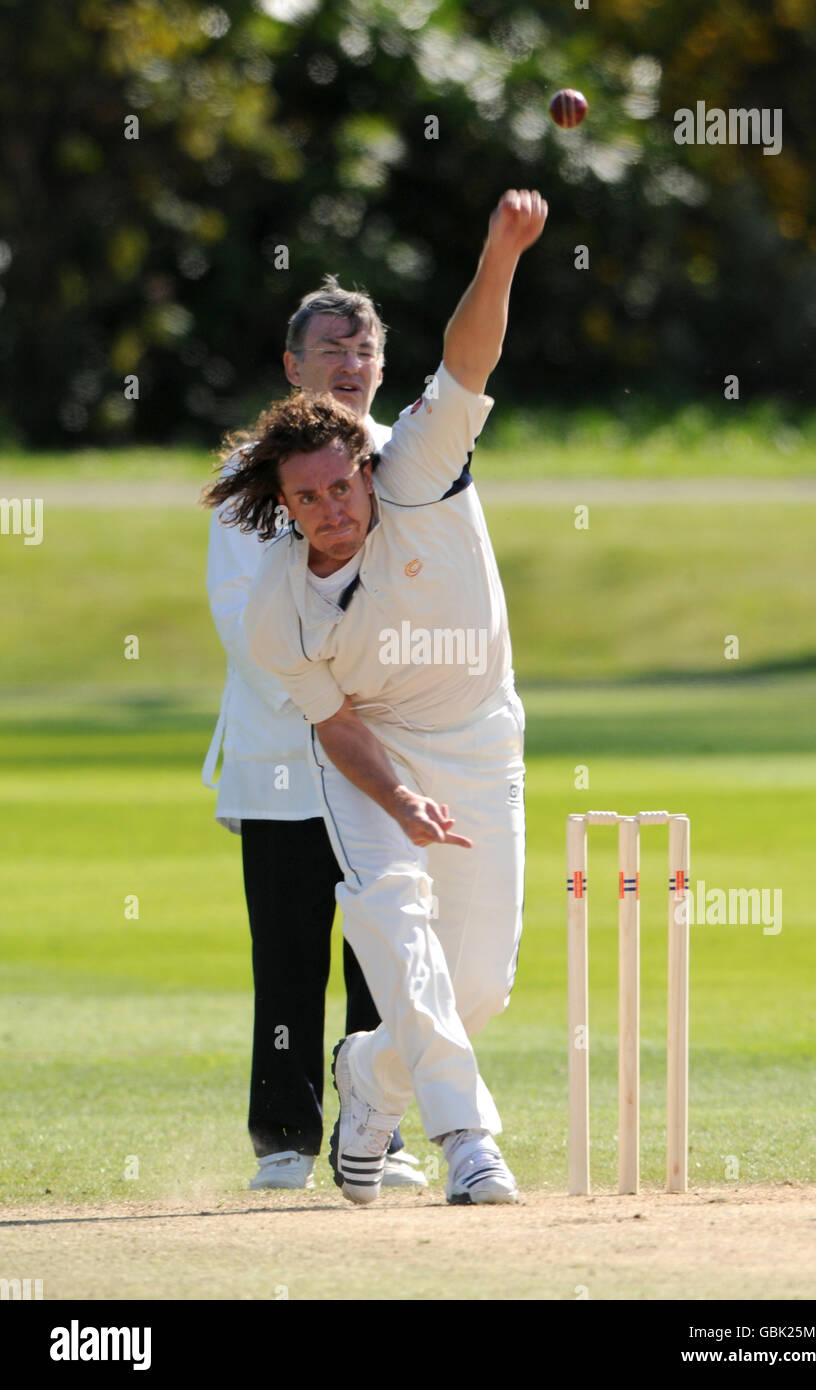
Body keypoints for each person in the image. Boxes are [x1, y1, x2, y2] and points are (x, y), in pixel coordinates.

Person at [205, 187, 547, 1206]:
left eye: (339, 488)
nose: (327, 513)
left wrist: (499, 256)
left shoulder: (419, 459)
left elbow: (471, 359)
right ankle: (465, 1140)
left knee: (478, 983)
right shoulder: (279, 604)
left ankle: (365, 1074)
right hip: (366, 751)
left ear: (368, 461)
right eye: (302, 501)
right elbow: (337, 721)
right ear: (280, 499)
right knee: (392, 925)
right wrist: (399, 799)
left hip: (480, 742)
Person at [202, 278, 426, 1191]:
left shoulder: (407, 462)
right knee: (288, 953)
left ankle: (380, 1137)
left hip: (386, 755)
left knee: (388, 951)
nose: (349, 363)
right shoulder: (252, 477)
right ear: (293, 366)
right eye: (330, 349)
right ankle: (286, 1136)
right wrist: (332, 704)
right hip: (283, 758)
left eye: (363, 348)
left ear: (382, 365)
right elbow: (244, 621)